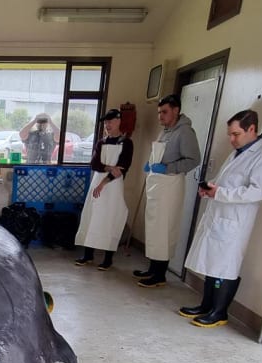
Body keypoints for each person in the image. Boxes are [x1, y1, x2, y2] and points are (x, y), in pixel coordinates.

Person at [179, 109, 262, 327]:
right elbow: (226, 180)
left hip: (235, 221)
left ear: (252, 129)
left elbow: (259, 191)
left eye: (236, 134)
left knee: (226, 266)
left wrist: (220, 193)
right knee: (213, 263)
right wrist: (211, 187)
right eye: (230, 134)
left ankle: (220, 312)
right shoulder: (238, 152)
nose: (231, 139)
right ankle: (206, 305)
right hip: (219, 215)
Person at [135, 94, 201, 288]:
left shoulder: (185, 132)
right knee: (155, 229)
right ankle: (152, 268)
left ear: (176, 110)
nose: (160, 116)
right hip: (157, 186)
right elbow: (158, 154)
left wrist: (168, 168)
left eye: (164, 112)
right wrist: (150, 164)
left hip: (170, 186)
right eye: (159, 113)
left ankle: (160, 274)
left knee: (164, 229)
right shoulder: (165, 131)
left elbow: (193, 160)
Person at [74, 108, 134, 270]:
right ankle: (88, 255)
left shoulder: (126, 143)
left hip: (113, 186)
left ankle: (108, 259)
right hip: (97, 182)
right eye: (105, 122)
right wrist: (108, 167)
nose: (107, 125)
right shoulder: (101, 142)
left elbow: (122, 168)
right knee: (91, 216)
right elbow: (94, 164)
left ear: (119, 121)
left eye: (110, 121)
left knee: (110, 219)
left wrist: (104, 182)